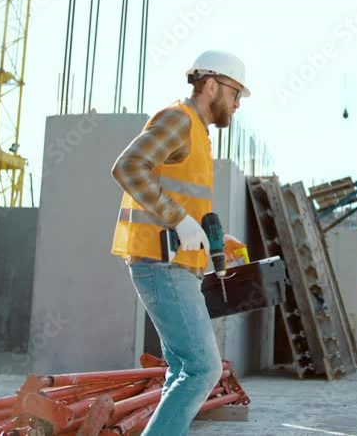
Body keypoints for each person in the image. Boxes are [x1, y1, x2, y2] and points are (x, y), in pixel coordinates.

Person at [110, 50, 250, 435]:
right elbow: (127, 167)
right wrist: (179, 219)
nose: (237, 104)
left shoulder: (199, 135)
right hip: (161, 264)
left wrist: (214, 239)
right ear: (210, 86)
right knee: (204, 369)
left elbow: (183, 199)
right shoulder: (178, 120)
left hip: (178, 265)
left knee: (184, 370)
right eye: (235, 93)